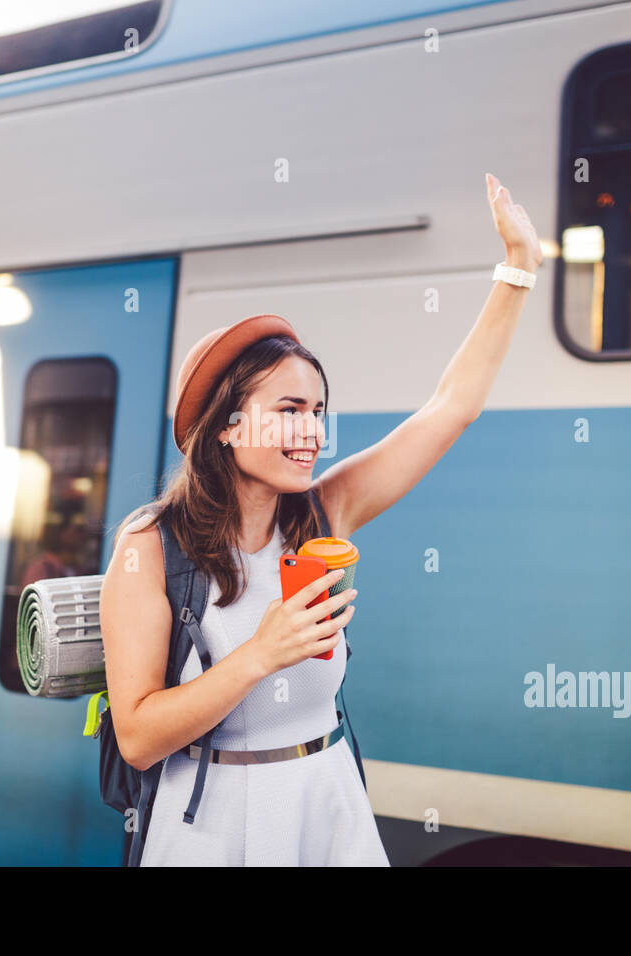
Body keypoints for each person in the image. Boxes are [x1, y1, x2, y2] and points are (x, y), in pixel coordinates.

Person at [99, 173, 540, 865]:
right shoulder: (149, 546)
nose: (311, 432)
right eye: (287, 411)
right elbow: (138, 735)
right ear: (226, 427)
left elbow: (450, 406)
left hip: (327, 797)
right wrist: (259, 655)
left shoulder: (325, 512)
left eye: (316, 411)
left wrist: (517, 270)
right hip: (212, 824)